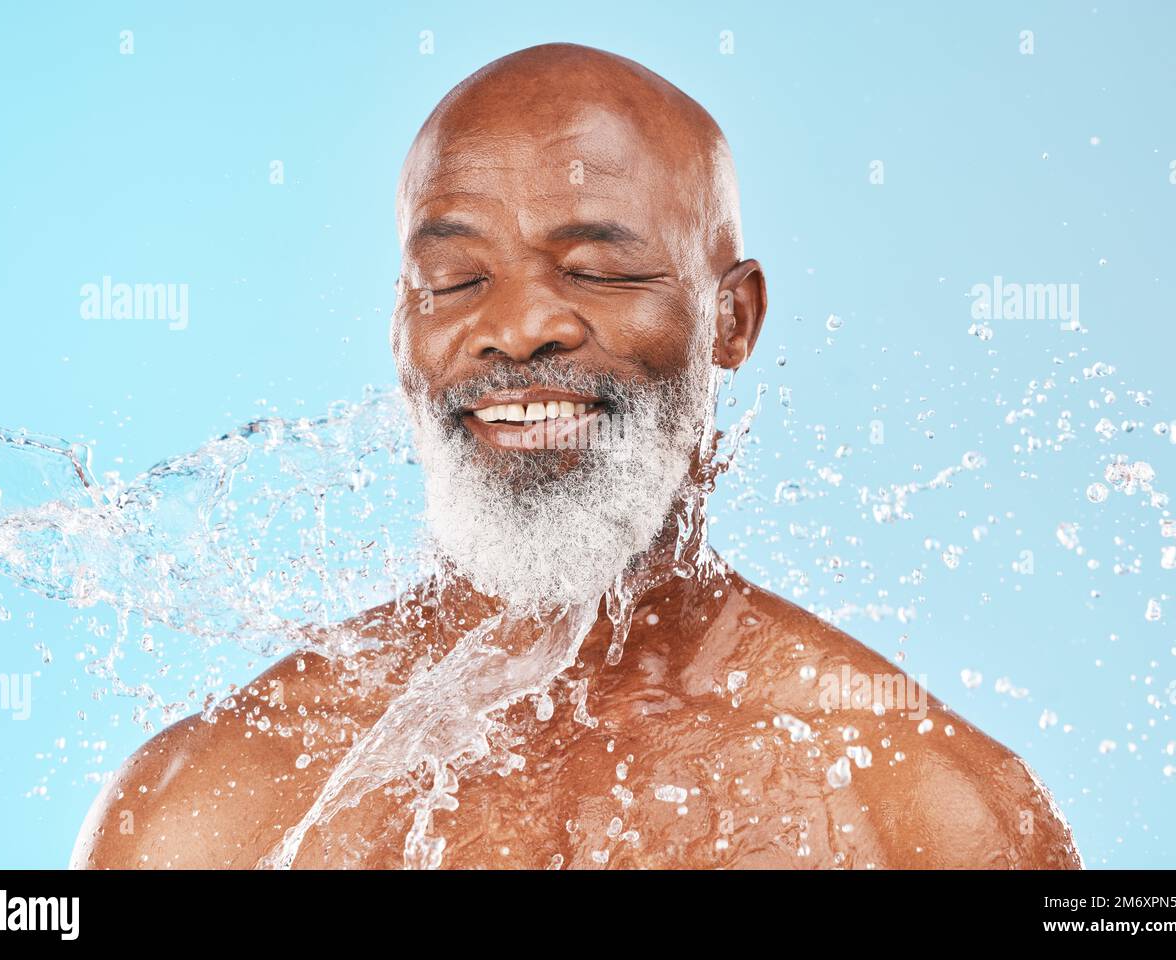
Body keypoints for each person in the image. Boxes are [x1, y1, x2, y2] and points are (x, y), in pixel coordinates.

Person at [71, 43, 1081, 870]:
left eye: (596, 270)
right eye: (455, 280)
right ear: (399, 331)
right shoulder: (210, 814)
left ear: (732, 319)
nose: (516, 329)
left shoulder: (918, 814)